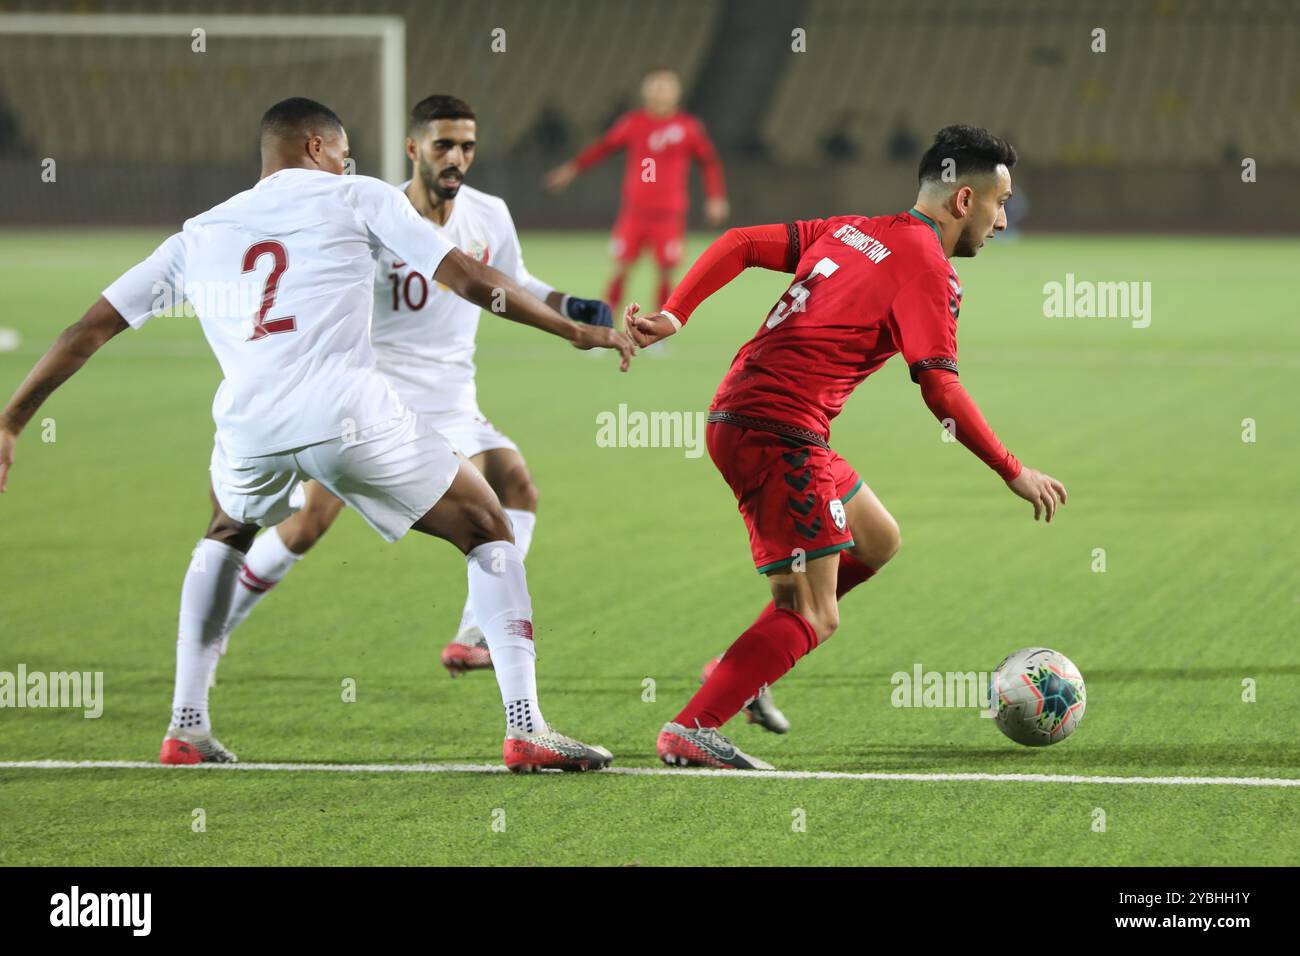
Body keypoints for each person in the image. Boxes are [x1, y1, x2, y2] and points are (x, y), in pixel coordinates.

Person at [0, 98, 634, 773]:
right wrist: (574, 329)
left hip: (247, 426)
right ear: (313, 147)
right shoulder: (358, 196)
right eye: (340, 150)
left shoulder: (199, 231)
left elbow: (84, 333)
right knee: (487, 525)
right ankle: (525, 726)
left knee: (224, 531)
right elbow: (468, 278)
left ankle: (186, 725)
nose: (347, 162)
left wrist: (11, 422)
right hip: (347, 416)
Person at [622, 125, 1067, 769]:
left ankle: (742, 664)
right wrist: (1012, 469)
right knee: (815, 612)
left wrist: (674, 314)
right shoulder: (929, 268)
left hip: (757, 414)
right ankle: (693, 727)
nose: (1002, 220)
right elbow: (940, 387)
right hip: (777, 430)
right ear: (964, 201)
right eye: (1000, 203)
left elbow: (741, 242)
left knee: (877, 539)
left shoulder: (857, 228)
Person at [214, 94, 616, 679]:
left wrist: (568, 303)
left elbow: (512, 278)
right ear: (414, 149)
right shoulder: (374, 212)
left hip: (453, 392)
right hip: (376, 391)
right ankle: (218, 623)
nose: (457, 157)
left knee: (516, 486)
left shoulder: (489, 213)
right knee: (308, 524)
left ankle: (475, 633)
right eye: (444, 145)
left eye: (468, 146)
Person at [546, 68, 728, 314]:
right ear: (645, 91)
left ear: (677, 92)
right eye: (654, 86)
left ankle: (658, 327)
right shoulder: (633, 123)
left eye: (665, 87)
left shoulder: (687, 127)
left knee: (666, 271)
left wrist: (716, 197)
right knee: (621, 267)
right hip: (635, 212)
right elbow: (603, 148)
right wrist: (572, 168)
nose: (659, 92)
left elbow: (709, 163)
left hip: (668, 214)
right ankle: (605, 322)